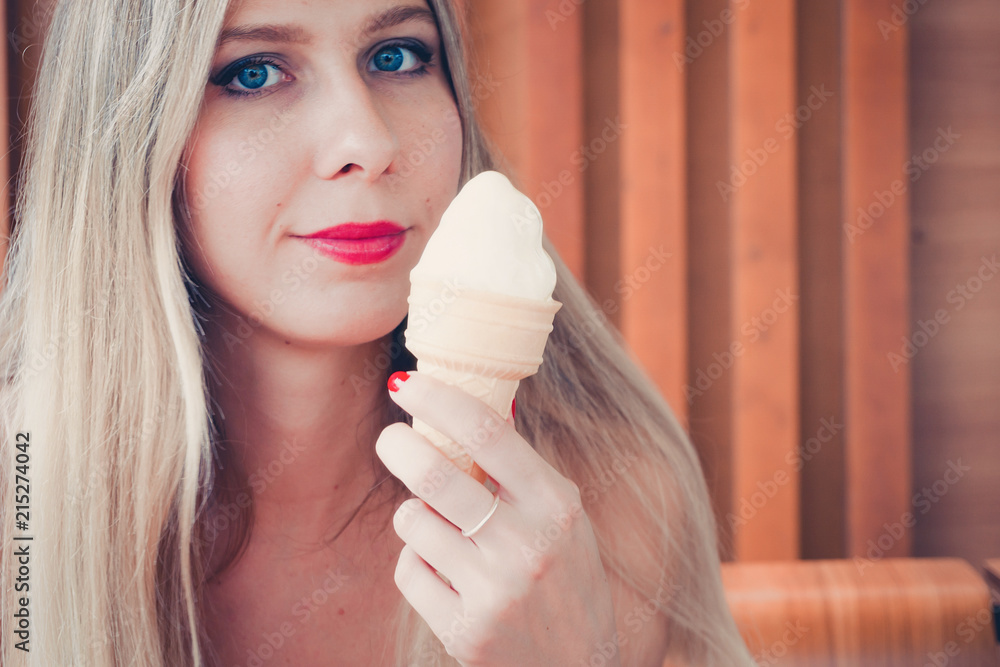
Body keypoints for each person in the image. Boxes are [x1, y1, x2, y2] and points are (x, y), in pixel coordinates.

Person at [0, 0, 756, 665]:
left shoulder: (608, 510)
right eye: (255, 72)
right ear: (129, 137)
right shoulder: (20, 510)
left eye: (396, 56)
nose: (366, 139)